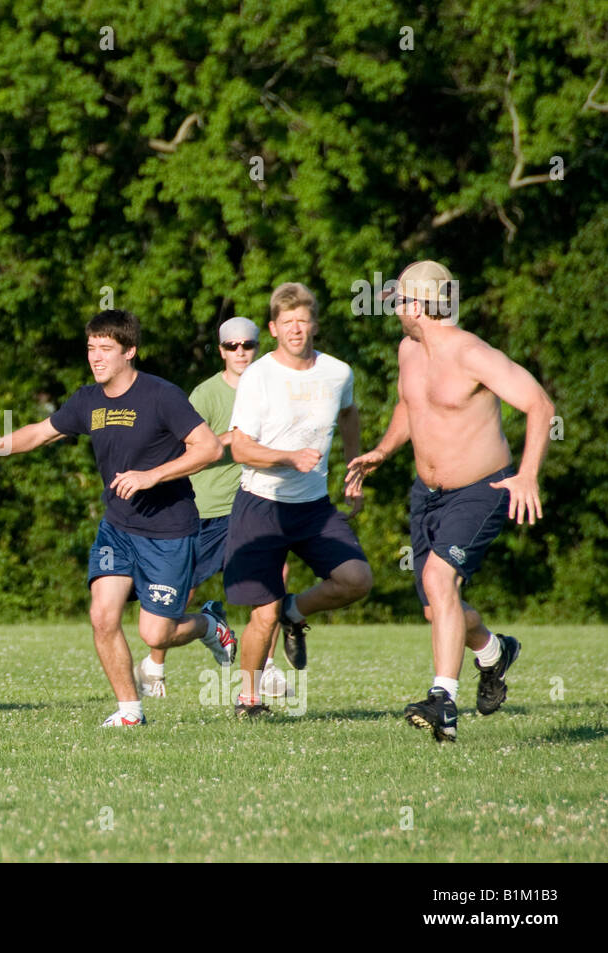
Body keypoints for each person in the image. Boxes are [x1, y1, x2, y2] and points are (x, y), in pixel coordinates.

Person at [0, 310, 235, 727]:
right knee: (102, 616)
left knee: (156, 635)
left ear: (129, 351)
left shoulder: (161, 395)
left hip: (169, 531)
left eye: (105, 349)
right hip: (117, 529)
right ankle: (130, 713)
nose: (96, 358)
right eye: (90, 349)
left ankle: (210, 626)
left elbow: (208, 448)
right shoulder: (88, 400)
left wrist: (150, 476)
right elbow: (42, 431)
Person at [346, 260, 554, 742]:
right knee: (438, 606)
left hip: (483, 488)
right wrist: (382, 449)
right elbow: (410, 403)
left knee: (441, 579)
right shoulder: (408, 350)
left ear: (417, 305)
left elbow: (539, 403)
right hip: (428, 495)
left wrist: (528, 474)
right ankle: (493, 652)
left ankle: (443, 701)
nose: (395, 310)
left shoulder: (471, 354)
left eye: (398, 301)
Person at [224, 282, 373, 717]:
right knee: (262, 613)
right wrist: (288, 457)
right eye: (286, 322)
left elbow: (348, 412)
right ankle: (248, 700)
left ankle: (296, 610)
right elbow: (240, 447)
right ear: (273, 328)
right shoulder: (259, 376)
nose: (295, 329)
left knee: (356, 579)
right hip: (260, 503)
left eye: (302, 321)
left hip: (312, 507)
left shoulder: (338, 372)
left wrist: (354, 467)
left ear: (314, 326)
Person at [134, 316, 291, 700]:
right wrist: (233, 441)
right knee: (177, 593)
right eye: (232, 346)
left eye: (248, 345)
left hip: (254, 504)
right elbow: (183, 448)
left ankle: (267, 669)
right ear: (221, 351)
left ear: (260, 346)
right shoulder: (205, 394)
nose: (241, 352)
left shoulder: (275, 389)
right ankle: (156, 665)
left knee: (274, 581)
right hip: (205, 509)